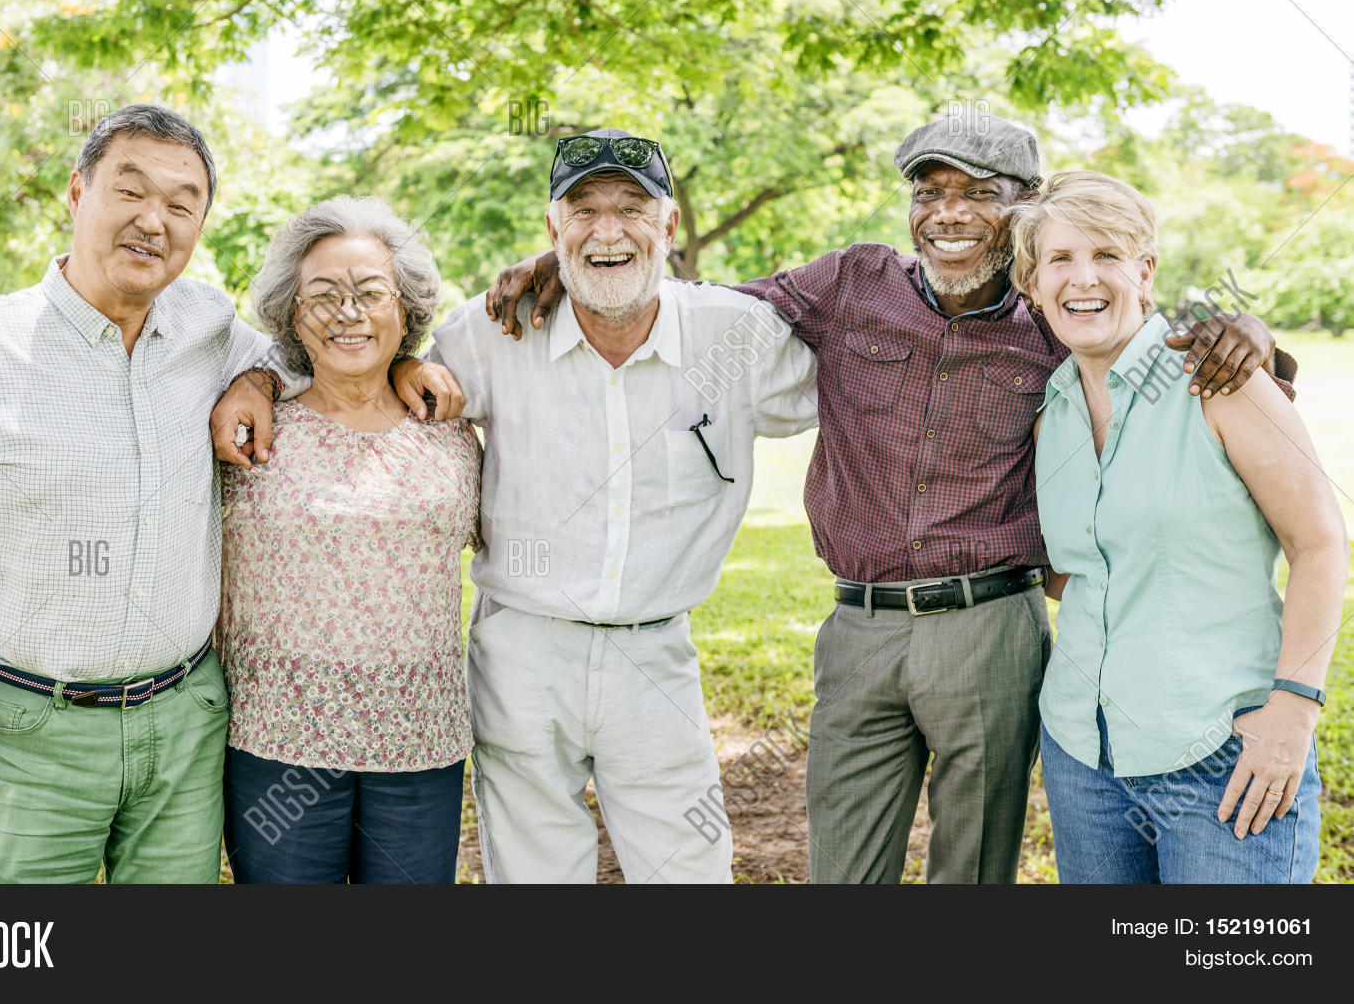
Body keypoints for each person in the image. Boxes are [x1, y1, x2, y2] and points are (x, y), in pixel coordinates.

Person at [484, 109, 1294, 883]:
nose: (950, 213)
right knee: (844, 866)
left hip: (991, 628)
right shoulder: (849, 282)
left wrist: (1244, 327)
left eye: (981, 192)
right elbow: (700, 311)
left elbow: (1143, 315)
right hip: (859, 631)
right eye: (930, 192)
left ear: (1027, 211)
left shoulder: (1052, 314)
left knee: (973, 870)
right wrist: (567, 265)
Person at [208, 128, 820, 881]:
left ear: (667, 226)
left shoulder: (737, 335)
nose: (607, 229)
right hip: (522, 651)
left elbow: (859, 365)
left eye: (632, 208)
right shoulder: (496, 329)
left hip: (657, 650)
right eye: (582, 211)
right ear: (552, 228)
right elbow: (352, 347)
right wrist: (260, 378)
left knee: (689, 870)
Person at [0, 103, 453, 882]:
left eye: (183, 204)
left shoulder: (208, 325)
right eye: (132, 191)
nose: (156, 221)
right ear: (77, 194)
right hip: (29, 729)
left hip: (183, 726)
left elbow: (318, 353)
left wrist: (401, 365)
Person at [1009, 171, 1345, 883]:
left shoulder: (1217, 381)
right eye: (1059, 260)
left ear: (1146, 270)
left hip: (1226, 756)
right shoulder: (1051, 412)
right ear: (1032, 286)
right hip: (1084, 757)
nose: (1083, 278)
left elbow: (1319, 541)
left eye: (1107, 255)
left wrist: (1292, 712)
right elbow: (1076, 571)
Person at [217, 196, 480, 884]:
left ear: (405, 310)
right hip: (277, 742)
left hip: (420, 741)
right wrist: (255, 379)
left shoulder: (450, 432)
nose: (348, 312)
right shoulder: (250, 429)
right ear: (291, 314)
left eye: (369, 293)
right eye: (323, 295)